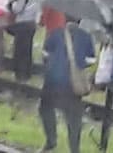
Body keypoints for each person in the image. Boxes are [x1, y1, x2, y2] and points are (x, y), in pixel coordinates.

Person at [39, 15, 96, 153]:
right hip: (73, 83)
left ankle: (51, 140)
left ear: (65, 19)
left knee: (45, 108)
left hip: (52, 80)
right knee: (74, 118)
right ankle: (74, 149)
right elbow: (91, 60)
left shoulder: (56, 33)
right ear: (80, 20)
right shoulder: (86, 36)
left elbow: (45, 53)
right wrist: (78, 65)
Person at [7, 0, 38, 82]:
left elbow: (17, 9)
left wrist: (11, 3)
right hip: (31, 24)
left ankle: (20, 74)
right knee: (27, 50)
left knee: (19, 50)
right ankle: (27, 73)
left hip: (22, 24)